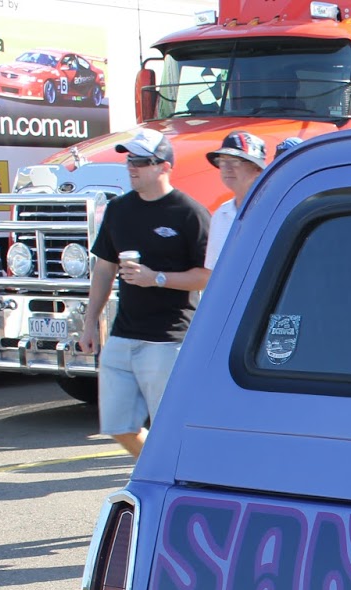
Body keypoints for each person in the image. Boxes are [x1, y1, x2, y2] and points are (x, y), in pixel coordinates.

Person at [78, 128, 210, 458]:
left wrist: (157, 278)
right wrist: (90, 322)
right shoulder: (118, 210)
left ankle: (176, 477)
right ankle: (163, 467)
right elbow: (104, 269)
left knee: (170, 426)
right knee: (118, 426)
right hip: (123, 336)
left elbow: (207, 277)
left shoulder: (189, 212)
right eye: (129, 159)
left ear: (165, 166)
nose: (131, 166)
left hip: (169, 339)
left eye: (141, 161)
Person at [204, 130, 267, 268]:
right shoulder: (221, 215)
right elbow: (213, 272)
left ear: (257, 168)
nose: (226, 168)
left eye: (235, 161)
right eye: (222, 161)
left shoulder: (273, 211)